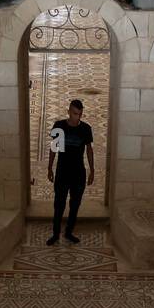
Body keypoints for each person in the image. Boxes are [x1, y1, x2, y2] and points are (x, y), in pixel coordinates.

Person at [47, 99, 94, 245]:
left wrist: (92, 170)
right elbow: (54, 149)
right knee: (59, 204)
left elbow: (89, 150)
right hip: (62, 172)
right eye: (74, 113)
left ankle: (68, 232)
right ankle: (55, 234)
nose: (77, 117)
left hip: (78, 173)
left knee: (75, 205)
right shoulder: (59, 127)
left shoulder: (86, 129)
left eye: (80, 114)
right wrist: (49, 168)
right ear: (68, 112)